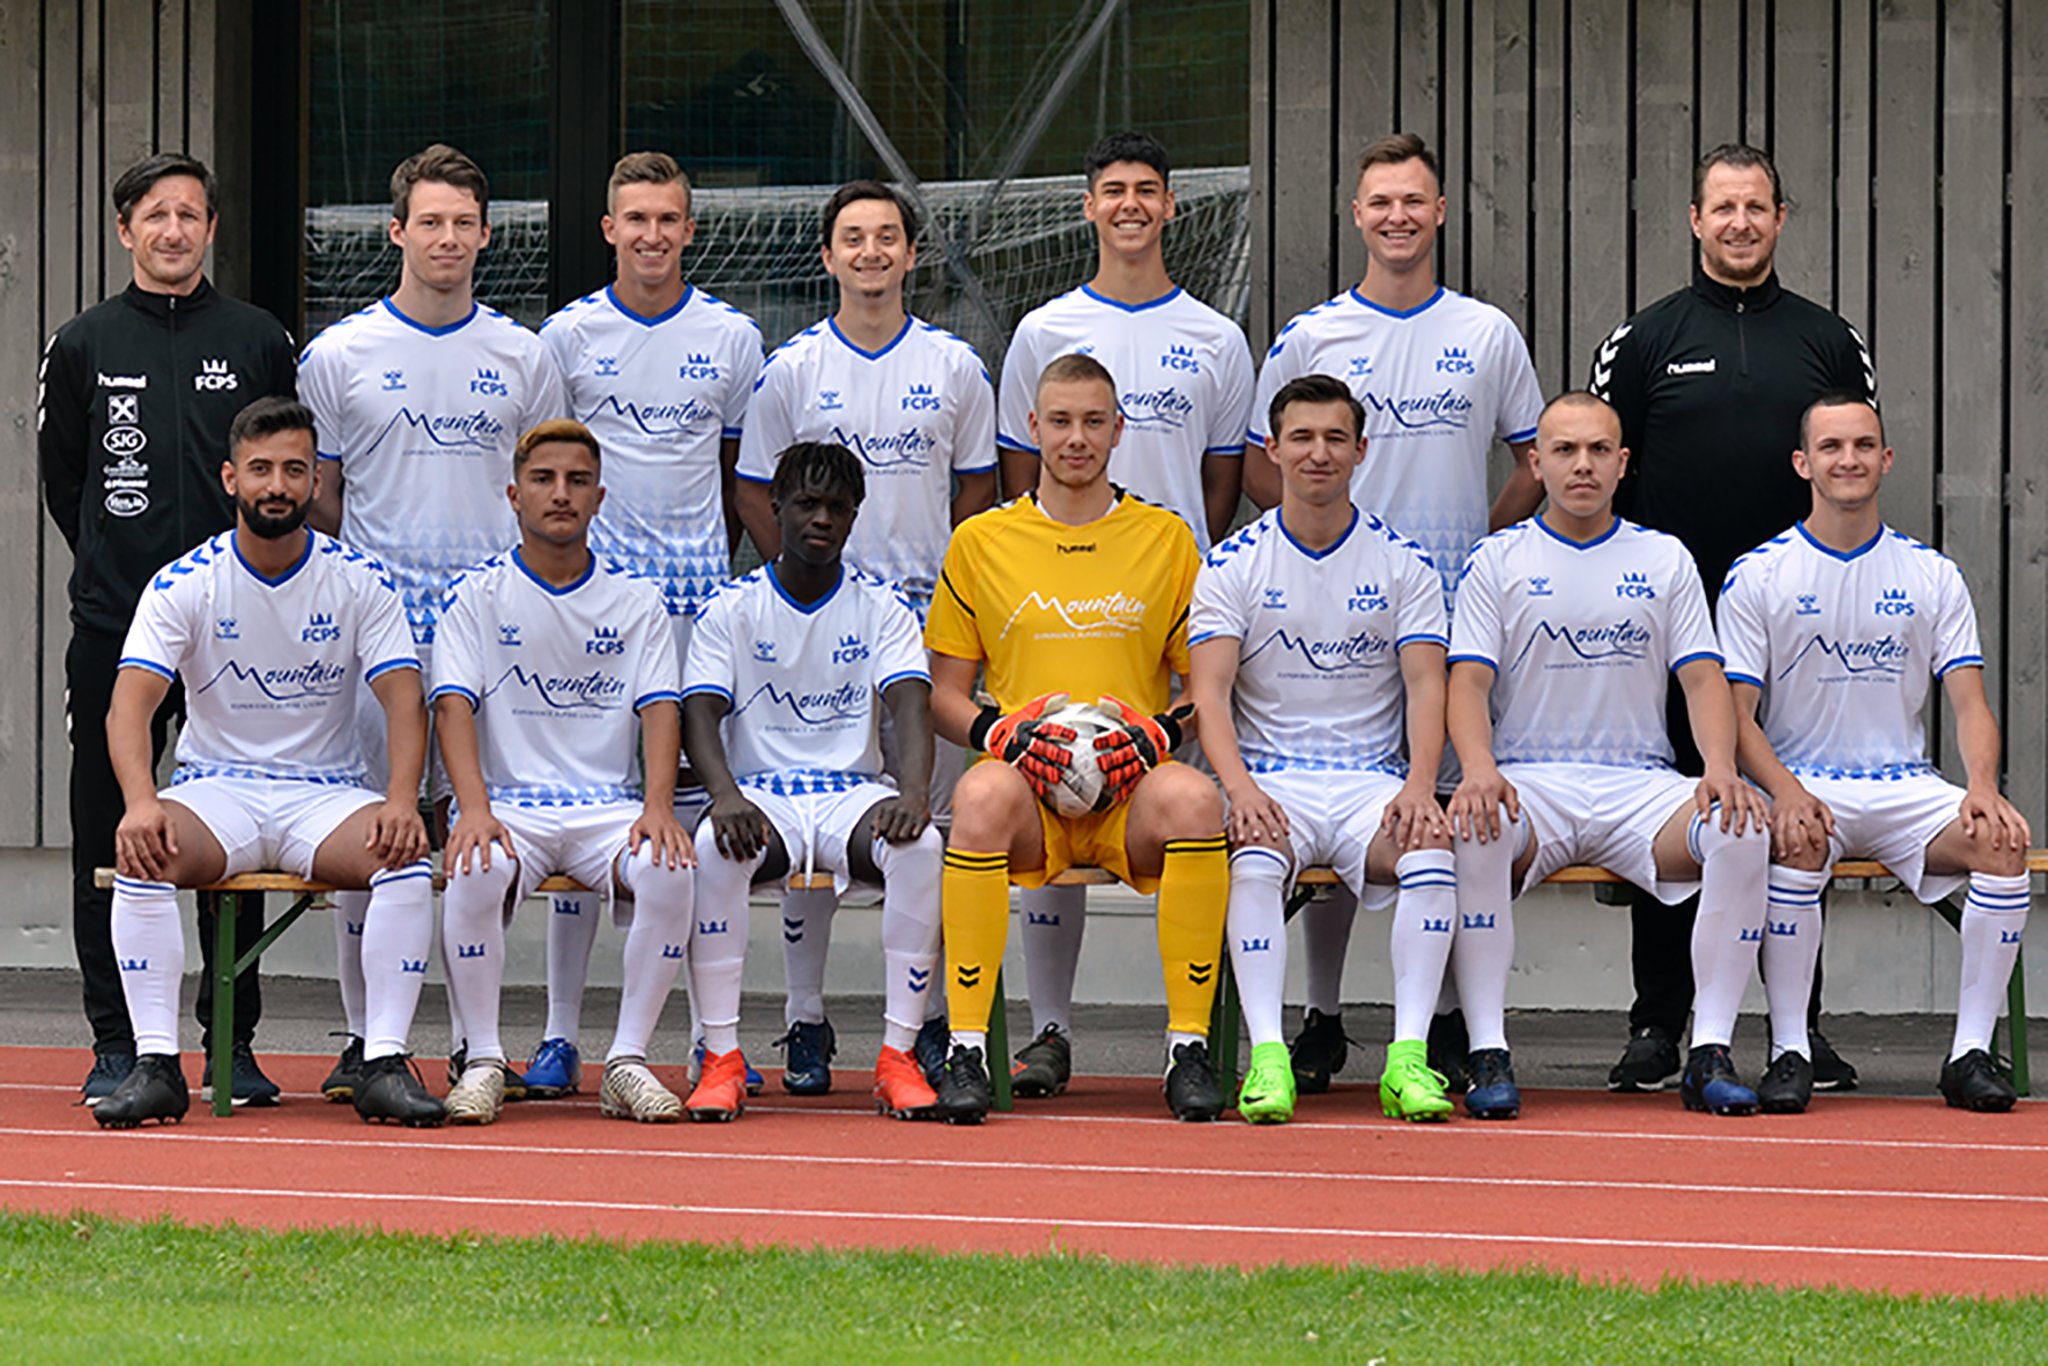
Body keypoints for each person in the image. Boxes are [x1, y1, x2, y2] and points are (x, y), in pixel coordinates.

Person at [1245, 132, 1544, 1094]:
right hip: (1344, 602)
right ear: (1358, 214)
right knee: (1340, 786)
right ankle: (1324, 1017)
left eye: (1414, 201)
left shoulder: (1488, 333)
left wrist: (1485, 545)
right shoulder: (1312, 335)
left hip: (1456, 612)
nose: (1398, 217)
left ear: (1440, 213)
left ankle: (1450, 1023)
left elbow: (1535, 458)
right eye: (1381, 203)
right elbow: (1265, 460)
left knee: (1440, 809)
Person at [1589, 142, 1877, 1094]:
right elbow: (1598, 467)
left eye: (1757, 207)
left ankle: (1799, 1029)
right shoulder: (1645, 338)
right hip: (1672, 625)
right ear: (1696, 220)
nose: (1740, 223)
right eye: (1724, 208)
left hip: (1795, 625)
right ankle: (1656, 1022)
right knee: (1675, 809)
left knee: (1796, 808)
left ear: (1780, 218)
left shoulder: (1829, 341)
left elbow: (1852, 465)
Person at [299, 143, 570, 1102]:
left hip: (493, 630)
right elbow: (324, 497)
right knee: (376, 833)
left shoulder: (524, 355)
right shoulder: (337, 356)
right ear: (396, 232)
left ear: (486, 236)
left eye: (464, 223)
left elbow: (546, 488)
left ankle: (472, 1046)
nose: (446, 238)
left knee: (475, 840)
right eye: (430, 222)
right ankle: (363, 1040)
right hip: (378, 634)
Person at [93, 397, 441, 1129]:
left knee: (402, 853)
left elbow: (406, 700)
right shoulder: (185, 581)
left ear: (317, 480)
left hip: (325, 793)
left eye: (292, 469)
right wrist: (140, 801)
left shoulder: (360, 579)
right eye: (260, 469)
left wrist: (403, 798)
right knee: (143, 853)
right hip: (218, 791)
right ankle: (157, 1065)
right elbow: (129, 707)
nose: (276, 485)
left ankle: (380, 1060)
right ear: (230, 478)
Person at [993, 131, 1254, 1098]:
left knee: (1171, 807)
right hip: (1056, 600)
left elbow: (1221, 485)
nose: (1131, 205)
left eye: (1149, 189)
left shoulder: (1218, 338)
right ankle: (1049, 1032)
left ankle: (1188, 1038)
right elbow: (1021, 475)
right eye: (1114, 190)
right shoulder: (1041, 329)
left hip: (1159, 599)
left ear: (1172, 206)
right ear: (1089, 206)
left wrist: (1161, 570)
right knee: (1053, 773)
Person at [38, 151, 298, 1107]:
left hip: (244, 627)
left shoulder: (260, 336)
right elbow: (68, 486)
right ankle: (118, 1040)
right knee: (110, 830)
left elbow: (283, 465)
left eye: (191, 214)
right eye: (156, 215)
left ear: (211, 229)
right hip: (118, 626)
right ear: (125, 230)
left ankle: (233, 1041)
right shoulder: (82, 344)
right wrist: (124, 567)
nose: (174, 230)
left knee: (235, 827)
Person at [733, 179, 994, 1091]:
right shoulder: (792, 368)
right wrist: (806, 590)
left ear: (911, 254)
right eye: (854, 238)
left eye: (888, 237)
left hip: (925, 628)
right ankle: (805, 1020)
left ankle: (920, 1026)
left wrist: (945, 596)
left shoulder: (957, 366)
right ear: (828, 256)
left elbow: (975, 492)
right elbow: (756, 490)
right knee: (811, 806)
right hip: (818, 625)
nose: (871, 252)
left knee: (921, 823)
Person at [1445, 392, 1770, 1118]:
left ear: (1623, 464)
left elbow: (1701, 676)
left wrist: (1720, 767)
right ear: (1536, 462)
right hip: (1532, 782)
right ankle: (1488, 1049)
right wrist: (1477, 769)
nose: (1581, 465)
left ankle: (1710, 1050)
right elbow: (1465, 681)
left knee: (1742, 826)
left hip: (1639, 787)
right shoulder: (1497, 559)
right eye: (1564, 451)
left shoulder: (1663, 557)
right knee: (1474, 824)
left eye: (1598, 451)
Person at [926, 353, 1228, 1125]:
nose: (1076, 438)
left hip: (1132, 785)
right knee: (978, 792)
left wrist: (1159, 735)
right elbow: (944, 698)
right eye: (1060, 421)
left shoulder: (1166, 539)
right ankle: (967, 1049)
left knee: (1197, 800)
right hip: (1034, 785)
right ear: (1032, 428)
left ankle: (1187, 1048)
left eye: (1094, 421)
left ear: (1119, 429)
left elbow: (1205, 689)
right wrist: (1003, 734)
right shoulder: (981, 541)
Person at [1719, 394, 2031, 1115]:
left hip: (1903, 786)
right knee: (1796, 841)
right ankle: (1791, 1049)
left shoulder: (1931, 573)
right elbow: (1736, 717)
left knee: (2003, 844)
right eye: (1831, 447)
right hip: (1800, 784)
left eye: (1863, 445)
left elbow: (1969, 702)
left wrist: (1981, 784)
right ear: (1804, 464)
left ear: (1886, 459)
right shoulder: (1760, 573)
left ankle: (1970, 1056)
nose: (1848, 459)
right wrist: (1785, 791)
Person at [539, 150, 764, 1098]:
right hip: (594, 610)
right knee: (584, 811)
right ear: (608, 230)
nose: (652, 235)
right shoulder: (566, 337)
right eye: (635, 219)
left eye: (668, 219)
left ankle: (702, 1040)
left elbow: (733, 473)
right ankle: (559, 1036)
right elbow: (555, 470)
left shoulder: (733, 337)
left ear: (689, 229)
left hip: (698, 609)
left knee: (688, 832)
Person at [1188, 375, 1455, 1125]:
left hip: (1371, 782)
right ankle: (1268, 1057)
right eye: (1301, 438)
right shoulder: (1232, 562)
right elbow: (1209, 694)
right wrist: (1239, 790)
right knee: (1254, 855)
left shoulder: (1404, 562)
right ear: (1271, 450)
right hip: (1275, 781)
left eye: (1335, 438)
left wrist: (1420, 784)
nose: (1318, 453)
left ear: (1361, 450)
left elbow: (1427, 685)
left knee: (1431, 849)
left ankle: (1408, 1060)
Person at [432, 420, 697, 1126]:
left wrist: (659, 806)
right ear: (514, 496)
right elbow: (452, 707)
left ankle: (628, 1061)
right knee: (475, 862)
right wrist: (474, 808)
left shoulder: (636, 598)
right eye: (545, 481)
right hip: (510, 804)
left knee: (672, 865)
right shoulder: (476, 595)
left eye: (577, 481)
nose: (561, 495)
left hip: (605, 806)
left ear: (599, 497)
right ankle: (484, 1058)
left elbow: (660, 708)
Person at [681, 441, 944, 1120]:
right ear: (775, 506)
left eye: (837, 506)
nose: (821, 518)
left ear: (855, 517)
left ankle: (898, 1056)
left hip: (849, 793)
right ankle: (720, 1057)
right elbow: (700, 713)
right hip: (762, 791)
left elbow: (911, 703)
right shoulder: (731, 609)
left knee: (921, 848)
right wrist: (724, 796)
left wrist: (912, 793)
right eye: (806, 503)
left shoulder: (881, 608)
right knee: (712, 845)